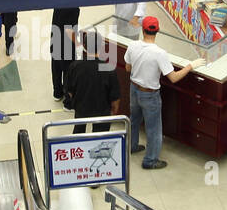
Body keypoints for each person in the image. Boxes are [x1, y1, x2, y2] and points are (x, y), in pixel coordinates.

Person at [125, 16, 199, 170]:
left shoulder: (132, 46)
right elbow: (173, 77)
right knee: (154, 129)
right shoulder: (160, 53)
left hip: (134, 89)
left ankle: (131, 146)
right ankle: (150, 160)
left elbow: (127, 68)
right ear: (157, 31)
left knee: (134, 120)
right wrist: (190, 66)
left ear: (142, 29)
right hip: (150, 95)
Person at [66, 30, 120, 133]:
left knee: (78, 134)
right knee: (99, 139)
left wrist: (77, 103)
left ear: (85, 46)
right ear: (101, 47)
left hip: (81, 109)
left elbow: (70, 91)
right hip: (102, 112)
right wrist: (112, 114)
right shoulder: (108, 68)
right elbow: (115, 99)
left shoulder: (75, 66)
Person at [51, 7, 81, 99]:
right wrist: (77, 44)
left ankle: (57, 93)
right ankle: (68, 102)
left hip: (55, 40)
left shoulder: (58, 5)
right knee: (68, 72)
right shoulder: (74, 9)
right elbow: (70, 30)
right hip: (67, 45)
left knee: (56, 68)